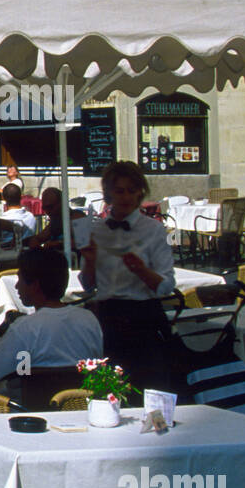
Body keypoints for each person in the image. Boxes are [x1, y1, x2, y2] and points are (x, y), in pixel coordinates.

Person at [79, 160, 177, 393]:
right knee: (113, 390)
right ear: (108, 194)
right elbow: (87, 284)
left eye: (132, 190)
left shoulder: (153, 229)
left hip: (144, 317)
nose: (125, 197)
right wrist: (90, 261)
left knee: (151, 387)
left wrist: (142, 271)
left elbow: (167, 286)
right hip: (108, 317)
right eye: (119, 190)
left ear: (140, 193)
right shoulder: (96, 230)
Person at [0, 248, 104, 385]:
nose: (17, 286)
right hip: (80, 404)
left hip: (29, 406)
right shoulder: (89, 320)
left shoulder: (25, 328)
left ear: (35, 285)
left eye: (20, 280)